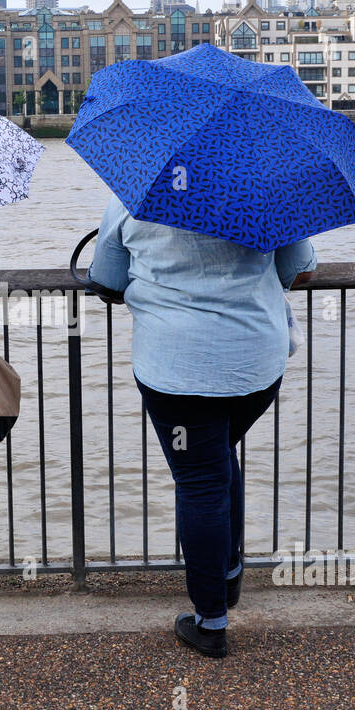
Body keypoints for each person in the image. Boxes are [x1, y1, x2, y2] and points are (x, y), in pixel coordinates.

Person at [88, 194, 317, 658]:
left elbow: (106, 280)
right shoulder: (268, 189)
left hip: (175, 371)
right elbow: (300, 271)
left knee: (200, 482)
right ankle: (228, 574)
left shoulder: (135, 194)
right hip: (255, 368)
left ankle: (211, 622)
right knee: (214, 463)